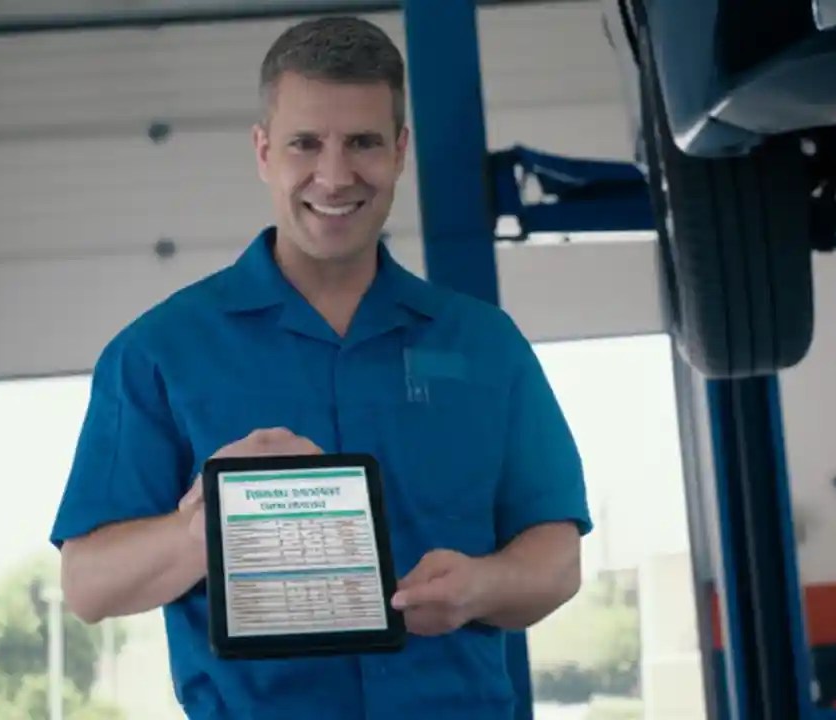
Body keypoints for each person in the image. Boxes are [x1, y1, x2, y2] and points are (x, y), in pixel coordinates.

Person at [50, 15, 592, 720]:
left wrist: (481, 587)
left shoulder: (485, 345)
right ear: (263, 150)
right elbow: (87, 586)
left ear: (400, 151)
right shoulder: (158, 354)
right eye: (306, 143)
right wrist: (204, 525)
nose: (334, 177)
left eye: (363, 142)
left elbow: (557, 557)